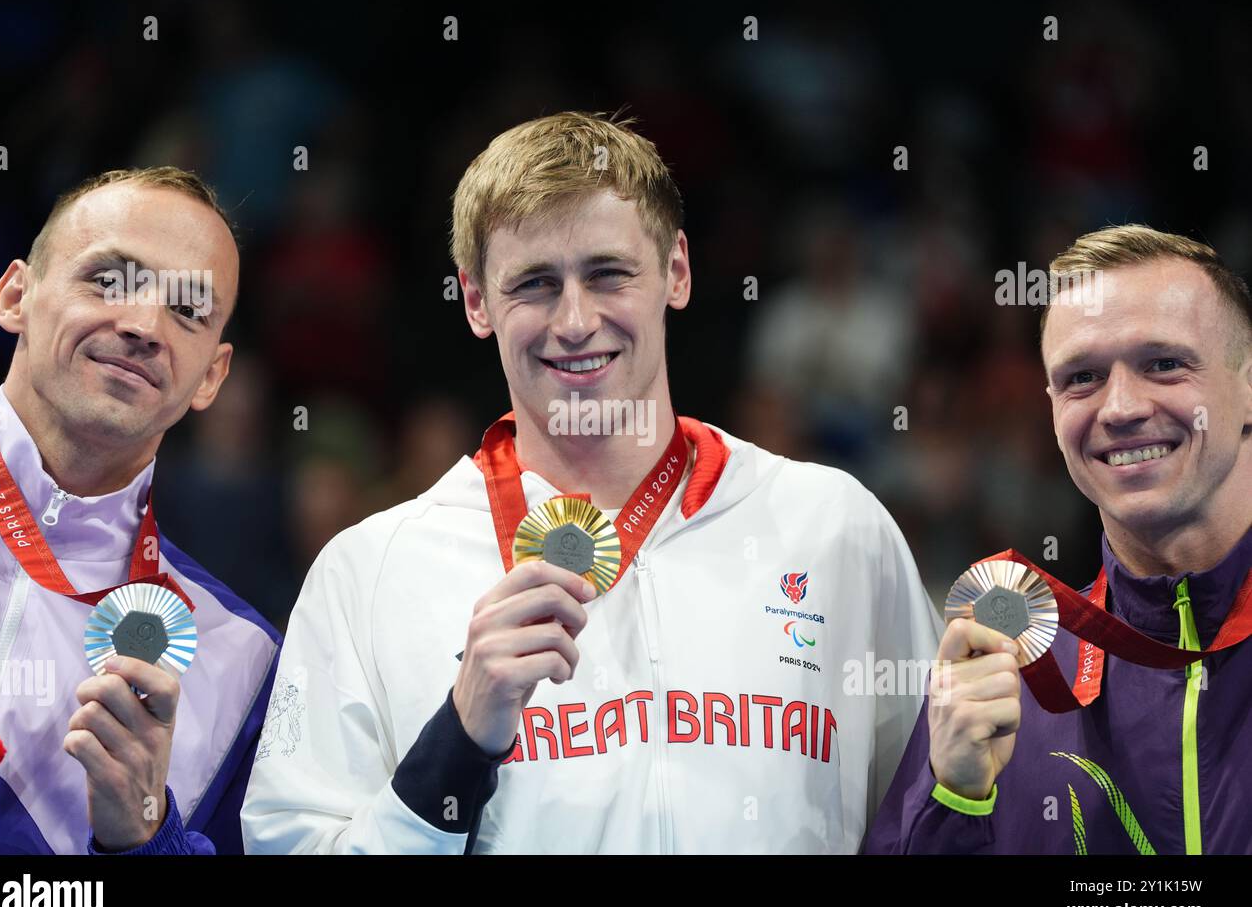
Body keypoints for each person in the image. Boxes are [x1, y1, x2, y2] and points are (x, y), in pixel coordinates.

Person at [241, 111, 941, 854]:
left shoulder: (833, 527)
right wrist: (457, 740)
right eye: (535, 285)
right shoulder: (370, 574)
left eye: (607, 274)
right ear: (476, 301)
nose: (575, 321)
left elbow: (937, 824)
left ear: (676, 270)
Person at [866, 225, 1252, 854]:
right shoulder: (1011, 680)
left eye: (1164, 363)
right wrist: (955, 800)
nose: (1121, 407)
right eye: (1082, 377)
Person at [0, 167, 280, 854]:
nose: (141, 326)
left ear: (211, 376)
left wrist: (143, 840)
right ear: (17, 294)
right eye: (109, 280)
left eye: (188, 311)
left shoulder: (238, 660)